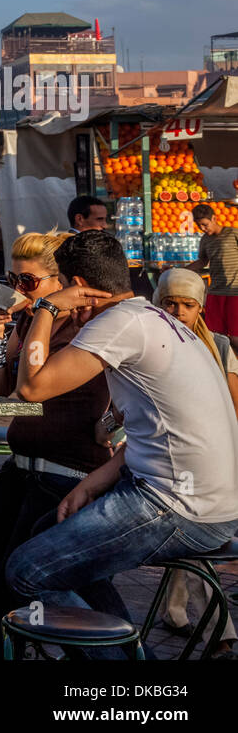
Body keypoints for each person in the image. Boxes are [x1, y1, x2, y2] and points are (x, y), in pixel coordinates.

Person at [7, 232, 238, 656]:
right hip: (201, 499)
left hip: (178, 506)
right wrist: (95, 481)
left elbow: (31, 388)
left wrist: (46, 308)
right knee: (53, 536)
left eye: (60, 288)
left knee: (26, 571)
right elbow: (164, 428)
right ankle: (125, 646)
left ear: (78, 287)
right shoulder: (151, 317)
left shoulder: (119, 323)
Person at [0, 232, 113, 661]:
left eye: (28, 281)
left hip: (65, 473)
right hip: (21, 468)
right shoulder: (32, 317)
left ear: (65, 282)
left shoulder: (87, 325)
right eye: (12, 279)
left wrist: (44, 313)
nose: (18, 289)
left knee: (17, 589)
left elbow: (31, 390)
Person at [151, 268, 238, 653]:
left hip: (209, 460)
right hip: (163, 456)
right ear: (158, 304)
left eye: (188, 305)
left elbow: (234, 404)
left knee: (187, 534)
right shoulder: (147, 344)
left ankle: (182, 615)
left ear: (200, 308)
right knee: (186, 534)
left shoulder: (218, 346)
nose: (179, 311)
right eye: (171, 303)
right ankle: (208, 626)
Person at [187, 203, 238, 341]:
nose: (203, 229)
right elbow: (202, 261)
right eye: (199, 226)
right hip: (215, 292)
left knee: (235, 337)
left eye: (205, 224)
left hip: (234, 292)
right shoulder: (205, 240)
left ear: (214, 218)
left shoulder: (233, 233)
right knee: (215, 337)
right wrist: (182, 270)